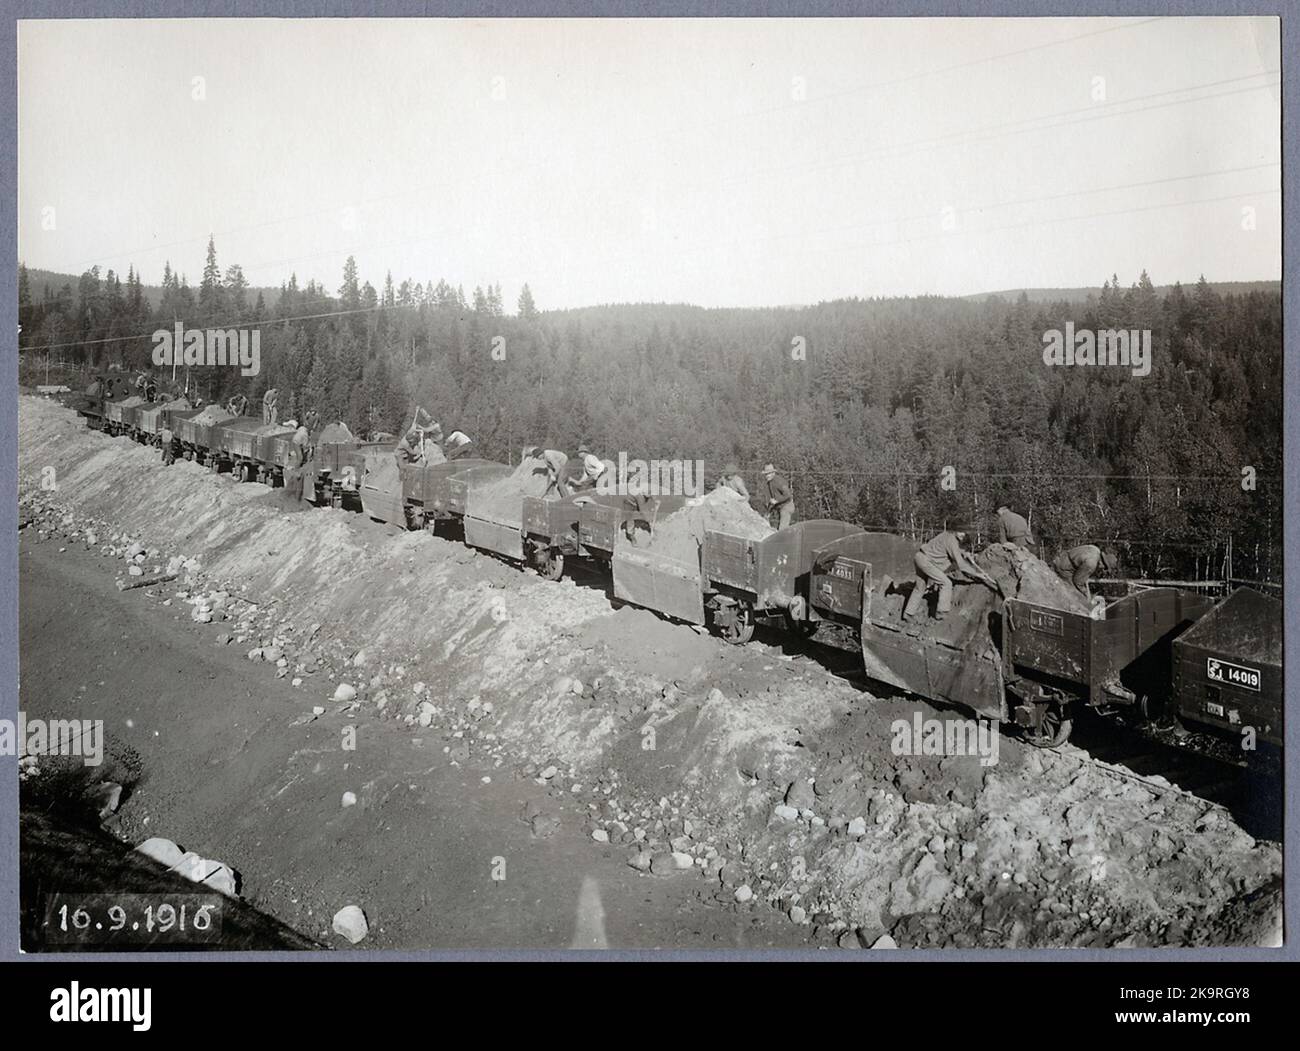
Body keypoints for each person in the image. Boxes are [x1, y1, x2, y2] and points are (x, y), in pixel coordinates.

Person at [902, 529, 998, 623]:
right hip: (926, 562)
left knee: (920, 587)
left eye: (964, 533)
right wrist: (978, 574)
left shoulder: (946, 534)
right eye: (961, 531)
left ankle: (908, 614)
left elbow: (949, 548)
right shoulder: (952, 540)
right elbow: (961, 565)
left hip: (919, 557)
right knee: (946, 583)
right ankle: (941, 613)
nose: (962, 535)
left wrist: (964, 553)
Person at [761, 463, 794, 528]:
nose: (767, 476)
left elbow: (788, 494)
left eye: (769, 474)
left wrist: (777, 501)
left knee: (782, 529)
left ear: (773, 473)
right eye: (766, 474)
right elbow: (771, 500)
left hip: (786, 506)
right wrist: (768, 512)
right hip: (779, 507)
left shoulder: (779, 481)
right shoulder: (769, 483)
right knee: (775, 527)